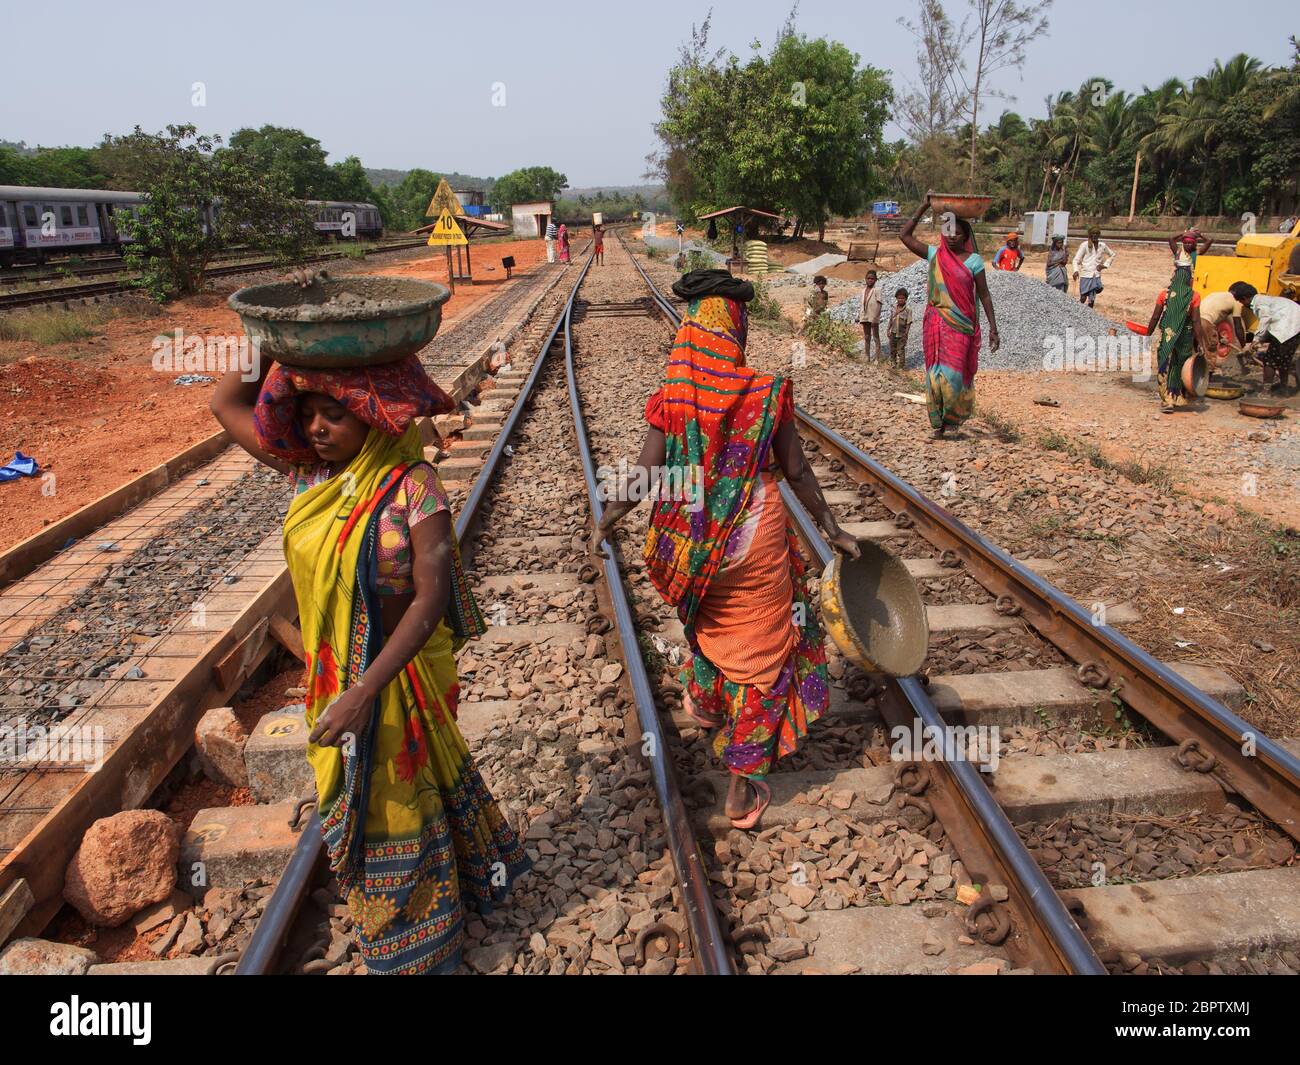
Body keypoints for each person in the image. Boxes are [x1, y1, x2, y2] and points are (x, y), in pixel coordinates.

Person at [209, 352, 529, 974]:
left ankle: (421, 947)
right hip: (332, 680)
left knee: (398, 798)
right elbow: (226, 405)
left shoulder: (415, 487)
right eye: (308, 414)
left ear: (375, 420)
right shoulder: (309, 476)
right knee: (373, 794)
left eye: (336, 414)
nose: (318, 428)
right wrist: (269, 340)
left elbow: (432, 599)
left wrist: (364, 691)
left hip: (395, 677)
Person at [590, 269, 861, 830]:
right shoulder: (764, 393)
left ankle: (707, 703)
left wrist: (606, 518)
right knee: (764, 652)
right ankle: (740, 789)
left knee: (713, 622)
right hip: (755, 539)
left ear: (691, 329)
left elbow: (644, 475)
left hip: (698, 542)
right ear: (735, 330)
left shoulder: (674, 396)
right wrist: (832, 527)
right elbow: (798, 471)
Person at [899, 195, 1000, 438]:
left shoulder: (975, 261)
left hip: (962, 325)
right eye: (948, 232)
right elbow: (905, 236)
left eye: (957, 232)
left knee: (954, 375)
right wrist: (923, 205)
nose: (952, 236)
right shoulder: (935, 255)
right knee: (934, 375)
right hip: (936, 323)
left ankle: (953, 421)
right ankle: (938, 422)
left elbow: (984, 295)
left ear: (966, 236)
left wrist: (993, 328)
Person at [1144, 267, 1204, 413]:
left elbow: (1155, 317)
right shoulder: (1194, 296)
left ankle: (1167, 400)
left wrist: (1148, 334)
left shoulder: (1164, 295)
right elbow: (1196, 321)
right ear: (1188, 280)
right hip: (1185, 339)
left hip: (1168, 337)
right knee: (1180, 366)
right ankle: (1178, 397)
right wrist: (1200, 343)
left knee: (1165, 365)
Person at [1229, 281, 1300, 393]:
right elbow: (1270, 323)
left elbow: (1265, 319)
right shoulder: (1267, 300)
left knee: (1269, 361)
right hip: (1296, 327)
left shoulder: (1259, 303)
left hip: (1287, 326)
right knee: (1284, 360)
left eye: (1241, 301)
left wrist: (1255, 340)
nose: (1242, 304)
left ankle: (1265, 393)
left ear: (1245, 298)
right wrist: (1258, 342)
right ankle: (1284, 390)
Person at [1198, 290, 1251, 376]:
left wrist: (1219, 336)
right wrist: (1243, 346)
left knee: (1199, 348)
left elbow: (1213, 314)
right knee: (1211, 351)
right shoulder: (1237, 302)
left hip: (1195, 320)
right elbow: (1238, 326)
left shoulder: (1216, 294)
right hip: (1206, 322)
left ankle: (1194, 372)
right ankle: (1207, 377)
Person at [1072, 226, 1116, 307]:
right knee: (1083, 297)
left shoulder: (1102, 245)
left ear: (1099, 235)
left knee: (1092, 299)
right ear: (1090, 235)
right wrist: (1075, 270)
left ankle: (1089, 315)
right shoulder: (1084, 245)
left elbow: (1112, 255)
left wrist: (1104, 265)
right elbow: (1076, 260)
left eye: (1096, 234)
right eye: (1093, 234)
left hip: (1096, 275)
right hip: (1086, 275)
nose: (1095, 235)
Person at [857, 269, 883, 360]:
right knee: (867, 336)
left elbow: (879, 305)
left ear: (875, 280)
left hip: (873, 317)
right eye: (868, 278)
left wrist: (876, 317)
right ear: (865, 279)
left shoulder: (877, 290)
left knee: (876, 337)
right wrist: (859, 315)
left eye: (872, 279)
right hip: (865, 316)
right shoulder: (863, 291)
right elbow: (861, 304)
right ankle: (867, 356)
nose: (870, 280)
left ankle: (877, 358)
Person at [887, 287, 912, 368]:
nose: (900, 300)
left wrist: (906, 333)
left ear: (906, 299)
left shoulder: (908, 310)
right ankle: (893, 363)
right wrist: (888, 330)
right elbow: (891, 320)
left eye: (902, 298)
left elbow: (908, 323)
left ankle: (901, 366)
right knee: (892, 349)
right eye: (899, 298)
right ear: (896, 298)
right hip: (893, 333)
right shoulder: (893, 308)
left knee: (900, 350)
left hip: (902, 334)